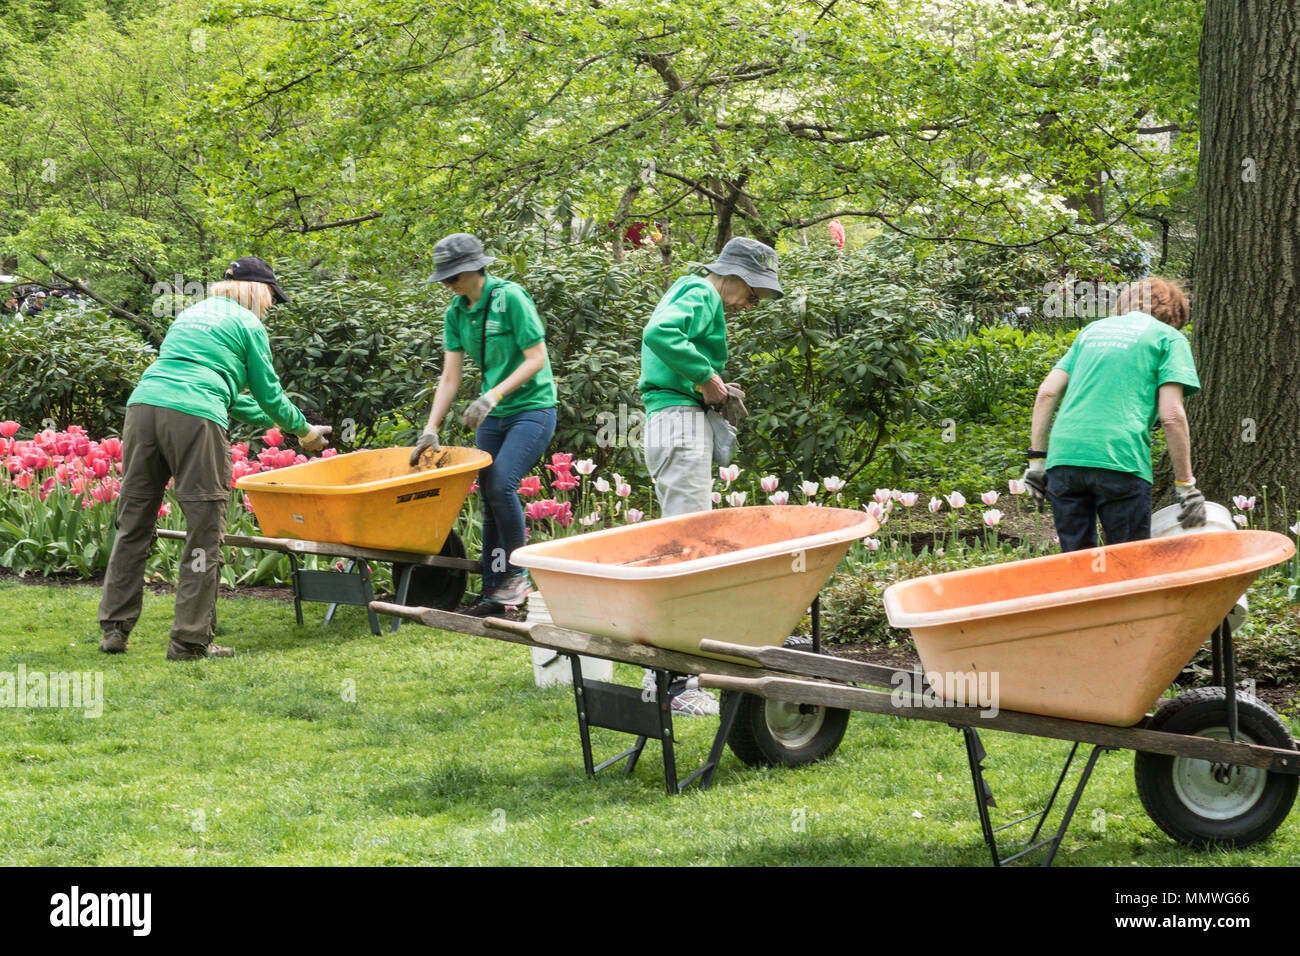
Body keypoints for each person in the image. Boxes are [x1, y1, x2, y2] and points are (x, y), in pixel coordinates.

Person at [98, 256, 331, 660]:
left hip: (144, 408)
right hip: (194, 420)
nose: (271, 307)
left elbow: (222, 392)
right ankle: (190, 640)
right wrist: (304, 431)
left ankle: (115, 629)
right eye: (271, 298)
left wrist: (284, 425)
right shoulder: (248, 323)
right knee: (204, 529)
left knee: (133, 521)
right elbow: (269, 395)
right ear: (257, 292)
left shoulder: (190, 315)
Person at [637, 235, 781, 715]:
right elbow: (660, 333)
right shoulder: (700, 292)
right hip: (677, 420)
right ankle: (679, 685)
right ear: (735, 276)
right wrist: (705, 376)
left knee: (678, 545)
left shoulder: (694, 295)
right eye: (752, 293)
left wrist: (708, 384)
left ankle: (661, 677)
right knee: (687, 550)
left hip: (674, 418)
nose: (749, 304)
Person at [410, 233, 557, 616]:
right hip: (494, 416)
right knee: (488, 495)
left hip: (532, 408)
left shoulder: (511, 298)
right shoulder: (457, 313)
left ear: (477, 267)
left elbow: (536, 359)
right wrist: (431, 427)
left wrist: (493, 396)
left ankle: (519, 577)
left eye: (454, 274)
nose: (449, 283)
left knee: (503, 481)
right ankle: (494, 591)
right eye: (444, 277)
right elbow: (450, 377)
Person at [1022, 277, 1205, 552]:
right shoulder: (1169, 338)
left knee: (1076, 561)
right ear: (1175, 314)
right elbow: (1171, 416)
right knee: (1128, 562)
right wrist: (1186, 486)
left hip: (1065, 460)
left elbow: (1046, 393)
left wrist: (1036, 463)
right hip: (1121, 459)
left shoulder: (1091, 331)